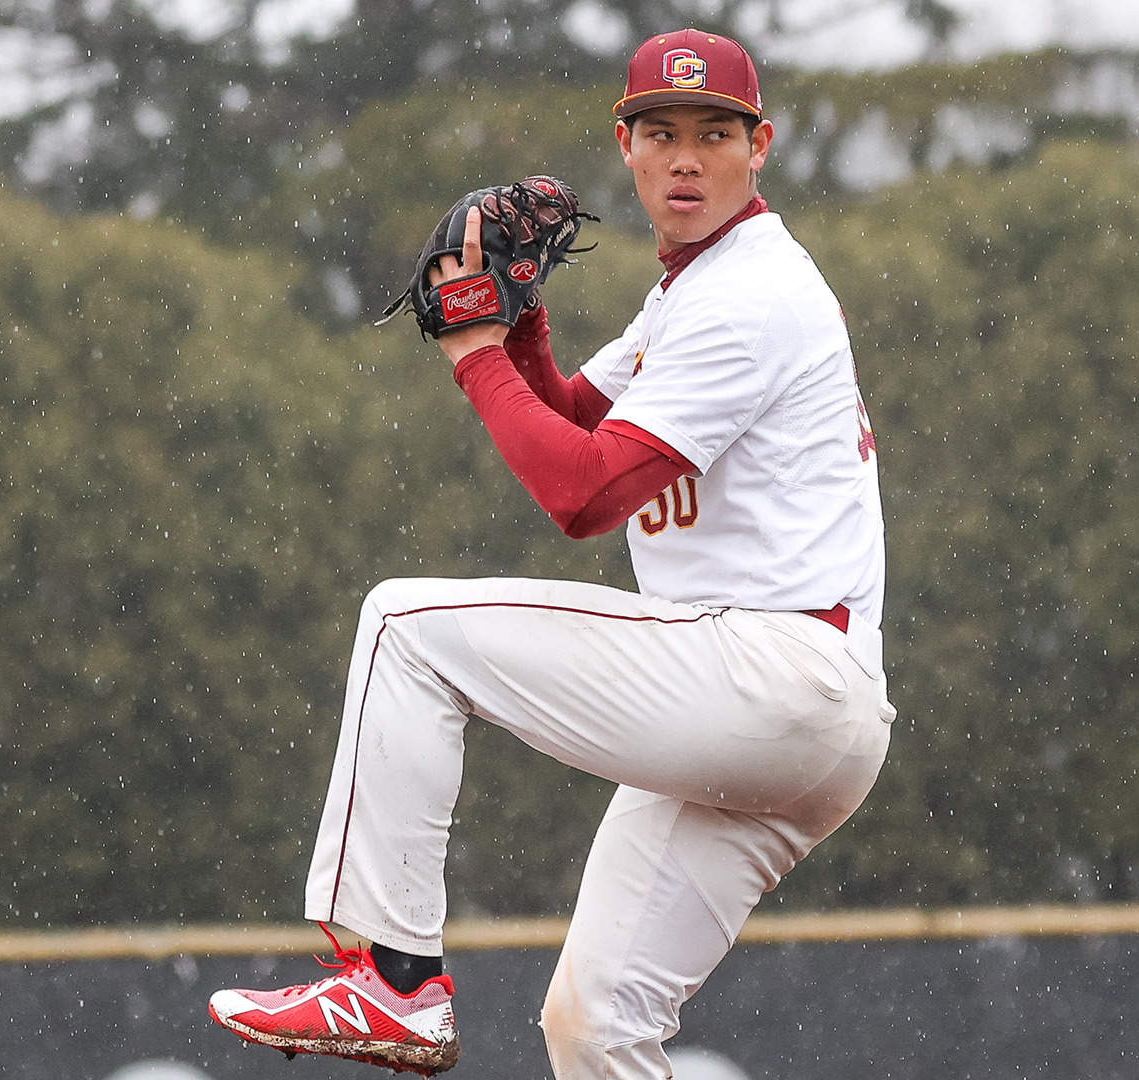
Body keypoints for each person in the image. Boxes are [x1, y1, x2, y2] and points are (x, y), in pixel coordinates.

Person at [208, 28, 894, 1079]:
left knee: (405, 626)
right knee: (597, 1024)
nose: (684, 158)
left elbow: (584, 495)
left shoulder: (746, 296)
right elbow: (575, 413)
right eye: (660, 131)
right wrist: (521, 327)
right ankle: (397, 990)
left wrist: (476, 351)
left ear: (761, 146)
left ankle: (388, 984)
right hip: (792, 714)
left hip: (768, 673)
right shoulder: (696, 291)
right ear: (625, 144)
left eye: (714, 133)